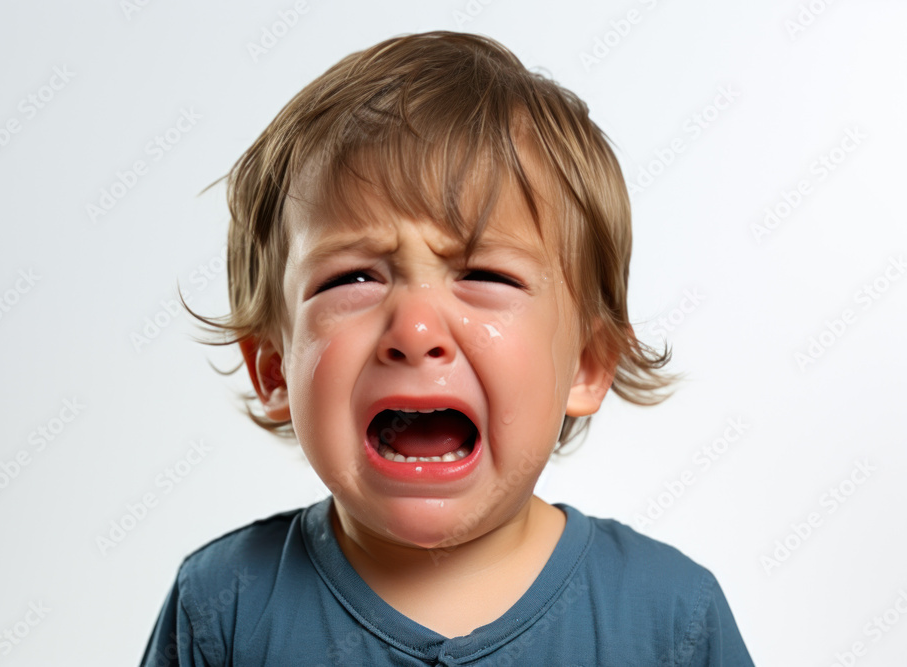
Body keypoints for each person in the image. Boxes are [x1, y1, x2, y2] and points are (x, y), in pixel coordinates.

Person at [140, 30, 755, 666]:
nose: (414, 333)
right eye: (353, 278)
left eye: (484, 275)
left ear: (586, 363)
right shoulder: (222, 608)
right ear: (273, 370)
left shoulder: (671, 619)